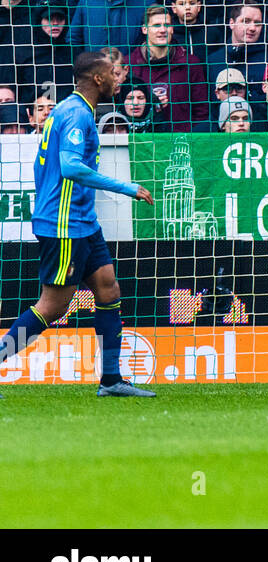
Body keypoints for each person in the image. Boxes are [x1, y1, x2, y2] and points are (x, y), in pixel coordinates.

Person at [0, 51, 156, 396]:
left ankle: (112, 380)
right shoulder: (75, 115)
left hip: (83, 222)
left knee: (108, 288)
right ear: (98, 79)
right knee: (53, 305)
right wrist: (126, 187)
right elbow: (70, 168)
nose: (118, 79)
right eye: (113, 73)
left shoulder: (74, 109)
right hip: (63, 224)